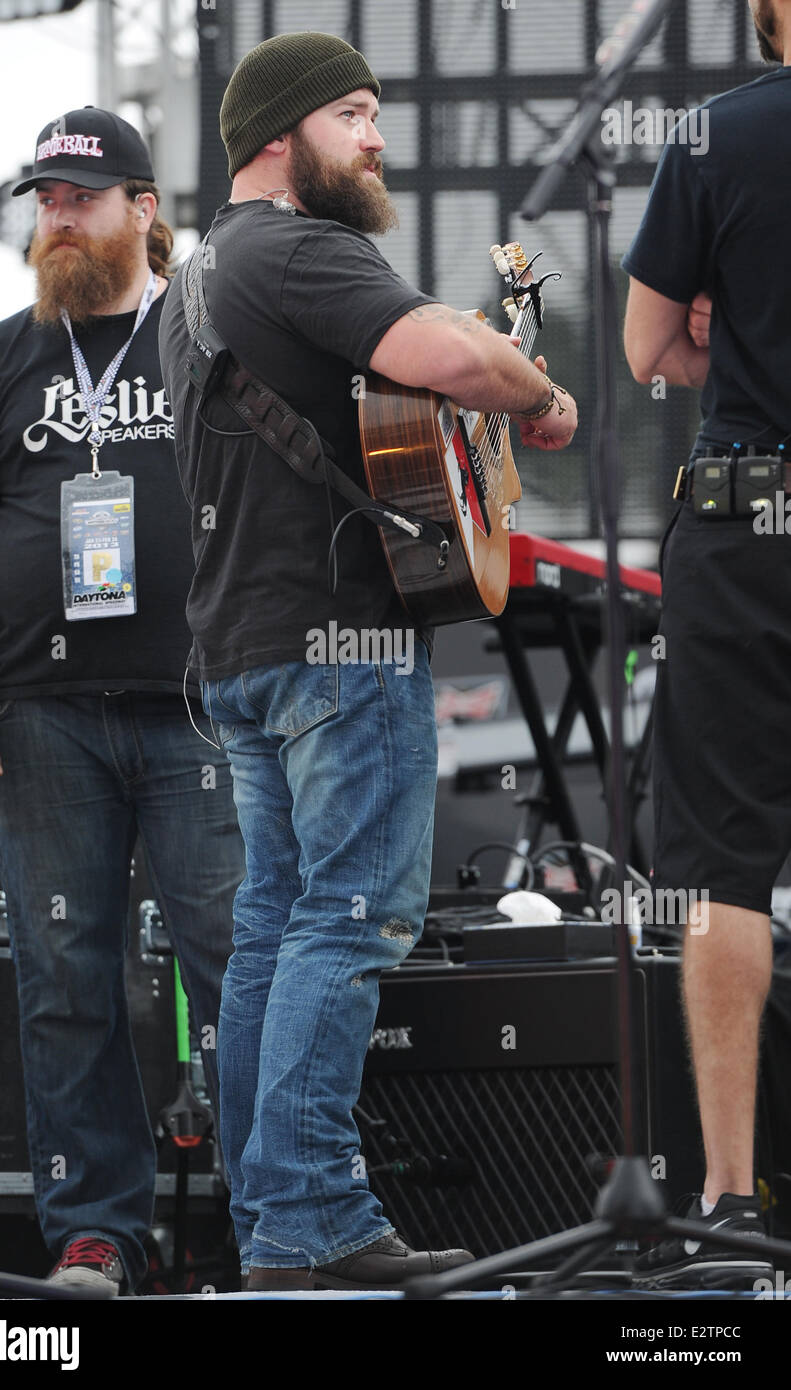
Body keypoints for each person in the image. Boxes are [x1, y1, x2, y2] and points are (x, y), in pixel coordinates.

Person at [159, 32, 578, 1292]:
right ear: (281, 135)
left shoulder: (193, 277)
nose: (377, 137)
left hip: (239, 654)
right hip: (337, 655)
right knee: (350, 926)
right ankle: (313, 1225)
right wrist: (532, 394)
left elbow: (377, 412)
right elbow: (451, 359)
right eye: (352, 112)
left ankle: (272, 1228)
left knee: (282, 935)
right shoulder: (302, 246)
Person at [0, 107, 244, 1296]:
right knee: (66, 977)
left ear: (144, 211)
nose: (58, 219)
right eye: (46, 202)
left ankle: (272, 1221)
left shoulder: (210, 338)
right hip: (46, 712)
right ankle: (96, 1235)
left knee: (232, 963)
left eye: (83, 198)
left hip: (201, 703)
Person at [621, 0, 788, 1289]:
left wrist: (713, 329)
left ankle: (729, 1202)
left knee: (723, 864)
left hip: (747, 530)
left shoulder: (710, 134)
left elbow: (640, 348)